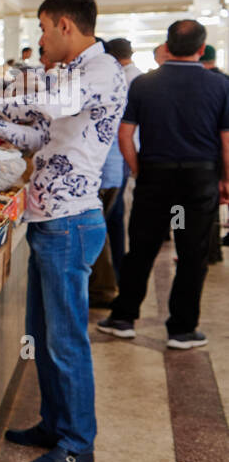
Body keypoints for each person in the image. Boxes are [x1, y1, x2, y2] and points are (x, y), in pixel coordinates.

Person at [0, 0, 127, 462]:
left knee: (66, 339)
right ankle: (53, 424)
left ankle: (77, 442)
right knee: (44, 333)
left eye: (44, 29)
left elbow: (50, 104)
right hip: (50, 220)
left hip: (72, 223)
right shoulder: (71, 75)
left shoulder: (100, 71)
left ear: (65, 25)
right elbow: (39, 134)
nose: (41, 40)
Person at [98, 20, 229, 349]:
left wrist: (140, 170)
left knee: (141, 247)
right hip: (199, 178)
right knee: (192, 252)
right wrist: (226, 179)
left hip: (156, 175)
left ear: (167, 46)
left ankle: (124, 318)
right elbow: (226, 139)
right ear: (202, 48)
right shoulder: (220, 85)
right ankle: (182, 330)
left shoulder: (144, 83)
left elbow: (125, 135)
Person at [89, 38, 142, 305]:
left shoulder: (119, 80)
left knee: (104, 230)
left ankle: (105, 289)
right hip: (116, 166)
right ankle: (116, 279)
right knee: (113, 226)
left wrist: (133, 168)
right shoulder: (135, 78)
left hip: (111, 166)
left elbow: (124, 134)